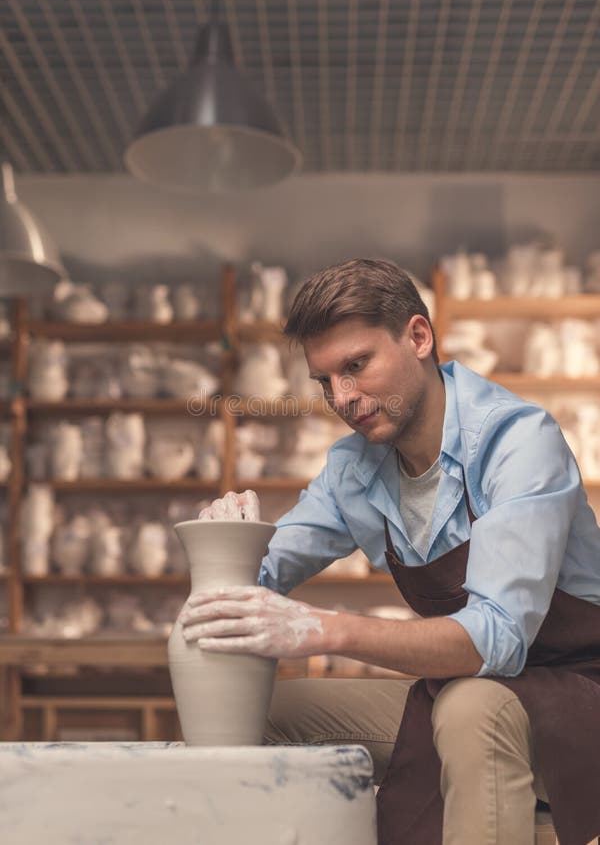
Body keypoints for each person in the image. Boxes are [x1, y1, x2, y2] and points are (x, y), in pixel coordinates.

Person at [180, 258, 600, 845]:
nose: (343, 398)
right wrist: (228, 547)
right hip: (461, 685)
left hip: (580, 690)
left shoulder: (517, 442)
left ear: (418, 337)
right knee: (263, 713)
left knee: (470, 709)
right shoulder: (353, 469)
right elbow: (260, 576)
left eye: (356, 365)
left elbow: (496, 639)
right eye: (325, 381)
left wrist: (325, 629)